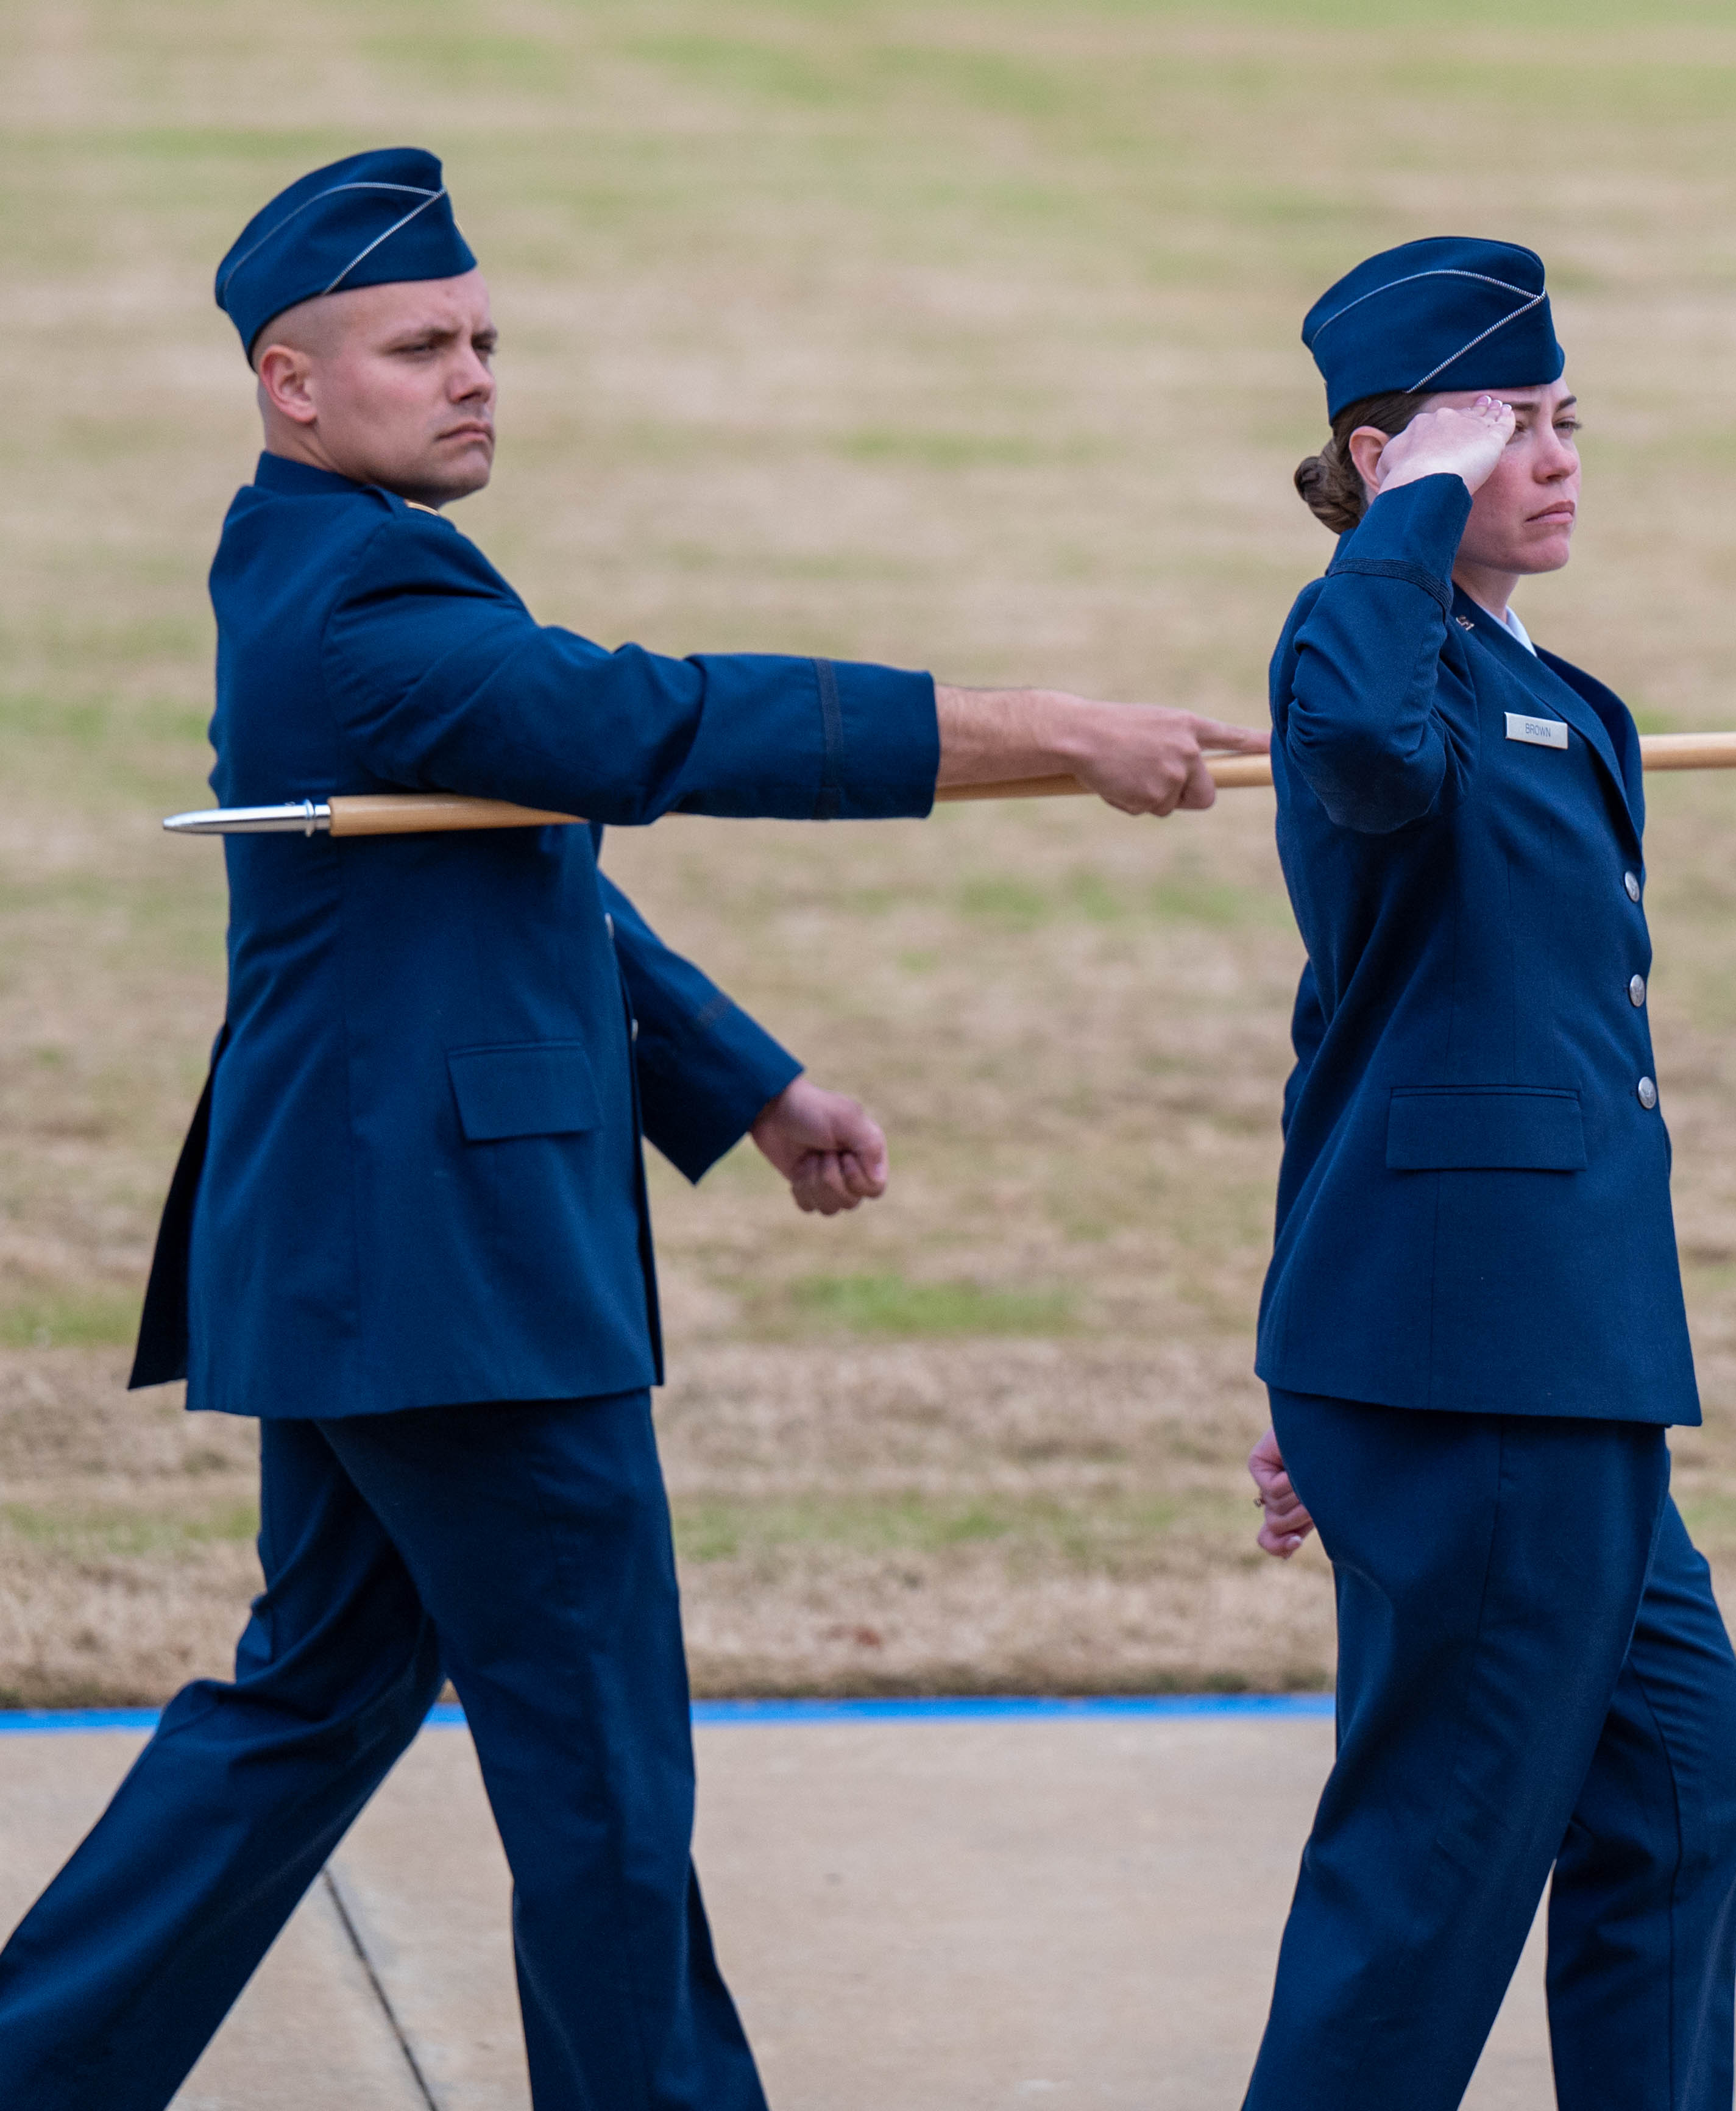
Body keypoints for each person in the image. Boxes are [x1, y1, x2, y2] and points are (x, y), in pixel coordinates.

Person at [0, 147, 1262, 2111]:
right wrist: (1053, 730)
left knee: (311, 1704)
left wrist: (742, 1080)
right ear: (292, 383)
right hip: (455, 1277)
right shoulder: (366, 602)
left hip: (371, 1257)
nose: (477, 374)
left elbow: (533, 864)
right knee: (596, 1767)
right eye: (422, 346)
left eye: (488, 337)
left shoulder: (324, 560)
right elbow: (656, 728)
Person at [1238, 236, 1736, 2111]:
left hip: (1540, 1353)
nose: (1553, 457)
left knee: (1686, 1791)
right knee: (1436, 1873)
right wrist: (1413, 511)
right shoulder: (1361, 647)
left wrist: (1300, 1352)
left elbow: (1356, 1033)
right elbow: (1376, 755)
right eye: (1502, 428)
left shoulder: (1554, 689)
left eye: (1562, 421)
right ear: (1390, 460)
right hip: (1481, 1374)